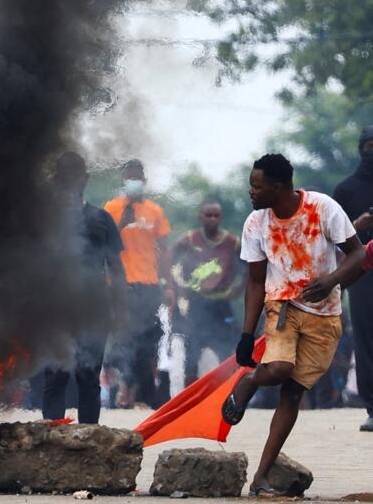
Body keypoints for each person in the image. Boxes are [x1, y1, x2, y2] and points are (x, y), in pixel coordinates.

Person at [222, 154, 362, 496]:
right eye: (251, 185)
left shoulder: (323, 208)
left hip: (325, 313)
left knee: (292, 394)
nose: (251, 192)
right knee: (280, 367)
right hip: (281, 305)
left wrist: (331, 281)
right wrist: (246, 333)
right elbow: (255, 282)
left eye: (257, 186)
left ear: (279, 187)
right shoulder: (256, 223)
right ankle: (251, 381)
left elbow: (358, 254)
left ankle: (260, 478)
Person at [41, 151, 127, 424]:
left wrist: (120, 306)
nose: (70, 182)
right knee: (56, 375)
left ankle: (90, 438)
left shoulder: (101, 218)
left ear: (85, 179)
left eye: (75, 177)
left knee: (88, 376)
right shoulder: (45, 220)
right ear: (57, 180)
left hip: (94, 309)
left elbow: (116, 267)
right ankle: (50, 438)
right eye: (65, 178)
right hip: (55, 308)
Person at [103, 159, 172, 409]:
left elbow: (164, 250)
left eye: (138, 177)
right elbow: (104, 243)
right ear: (123, 180)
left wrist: (170, 285)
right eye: (129, 177)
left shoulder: (155, 211)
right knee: (123, 340)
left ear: (143, 181)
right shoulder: (111, 208)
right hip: (121, 285)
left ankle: (141, 394)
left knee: (148, 341)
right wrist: (124, 220)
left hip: (149, 285)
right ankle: (123, 389)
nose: (134, 181)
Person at [170, 200, 243, 384]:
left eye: (216, 215)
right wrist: (176, 287)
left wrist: (239, 289)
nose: (212, 219)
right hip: (197, 304)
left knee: (227, 355)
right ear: (200, 217)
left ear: (221, 217)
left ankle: (228, 397)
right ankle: (190, 401)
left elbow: (251, 268)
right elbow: (168, 261)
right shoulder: (188, 240)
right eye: (208, 215)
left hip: (221, 305)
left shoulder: (233, 242)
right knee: (191, 356)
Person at [332, 125, 373, 432]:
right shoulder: (346, 190)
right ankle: (372, 406)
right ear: (361, 149)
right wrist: (357, 225)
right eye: (369, 146)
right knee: (366, 336)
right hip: (362, 271)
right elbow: (332, 240)